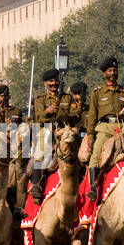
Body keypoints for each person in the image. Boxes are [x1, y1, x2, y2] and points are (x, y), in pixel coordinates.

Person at [83, 56, 124, 202]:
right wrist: (90, 137)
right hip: (105, 128)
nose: (113, 73)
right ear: (104, 74)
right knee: (95, 157)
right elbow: (92, 117)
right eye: (110, 70)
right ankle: (93, 188)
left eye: (115, 70)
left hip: (123, 127)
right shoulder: (97, 93)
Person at [28, 69, 74, 202]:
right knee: (41, 149)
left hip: (63, 129)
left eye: (56, 80)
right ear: (45, 83)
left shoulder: (67, 98)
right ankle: (36, 186)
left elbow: (75, 115)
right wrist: (47, 112)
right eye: (51, 81)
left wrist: (63, 115)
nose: (54, 83)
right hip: (46, 130)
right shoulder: (40, 99)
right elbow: (37, 119)